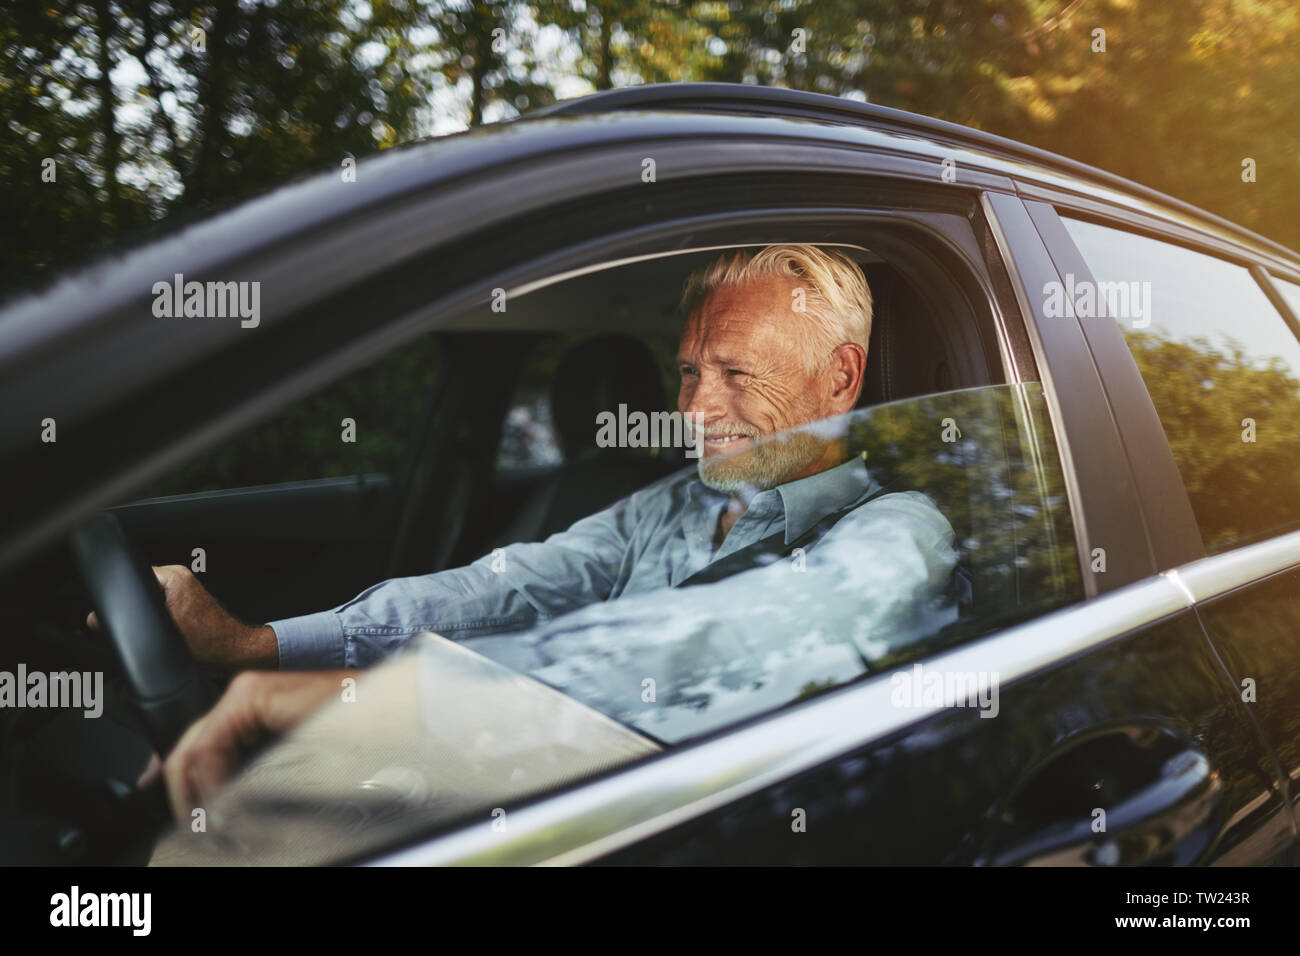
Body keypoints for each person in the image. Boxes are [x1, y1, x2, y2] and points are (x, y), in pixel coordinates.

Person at [107, 244, 958, 818]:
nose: (693, 409)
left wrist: (396, 709)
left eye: (736, 373)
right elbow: (504, 585)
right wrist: (264, 647)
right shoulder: (665, 504)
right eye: (691, 372)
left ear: (840, 376)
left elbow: (727, 641)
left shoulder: (898, 532)